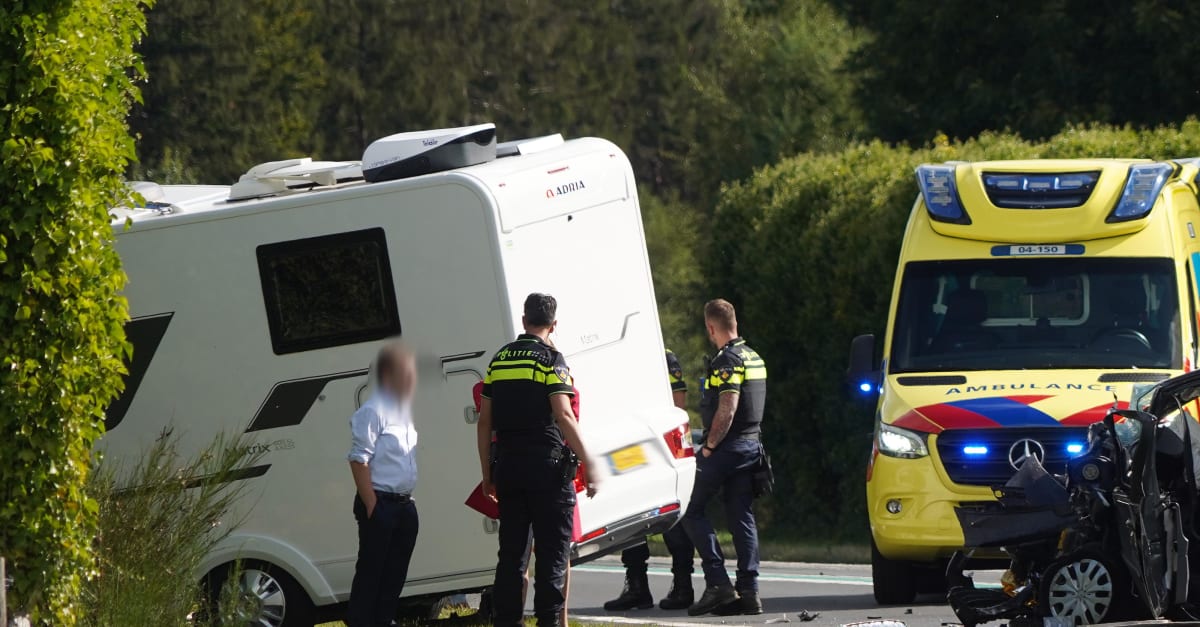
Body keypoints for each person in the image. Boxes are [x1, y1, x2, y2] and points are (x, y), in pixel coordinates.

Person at [477, 293, 598, 627]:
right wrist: (589, 462)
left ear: (523, 320)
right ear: (553, 324)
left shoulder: (499, 361)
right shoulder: (551, 360)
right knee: (552, 558)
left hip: (510, 470)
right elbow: (563, 414)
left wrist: (487, 473)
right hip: (547, 470)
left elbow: (485, 422)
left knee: (511, 558)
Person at [682, 299, 768, 616]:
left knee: (690, 509)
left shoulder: (727, 360)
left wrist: (709, 447)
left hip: (727, 447)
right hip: (751, 447)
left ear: (711, 327)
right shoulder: (754, 356)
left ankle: (718, 583)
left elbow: (728, 406)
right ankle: (748, 592)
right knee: (741, 516)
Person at [603, 349, 696, 611]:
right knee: (630, 517)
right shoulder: (617, 356)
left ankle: (682, 584)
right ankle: (636, 586)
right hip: (627, 448)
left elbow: (679, 402)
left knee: (672, 517)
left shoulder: (663, 355)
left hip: (659, 445)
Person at [346, 343, 421, 627]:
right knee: (371, 571)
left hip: (403, 504)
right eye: (407, 372)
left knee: (395, 572)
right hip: (380, 502)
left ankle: (384, 620)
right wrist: (372, 505)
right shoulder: (373, 410)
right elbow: (358, 459)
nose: (412, 378)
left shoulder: (402, 412)